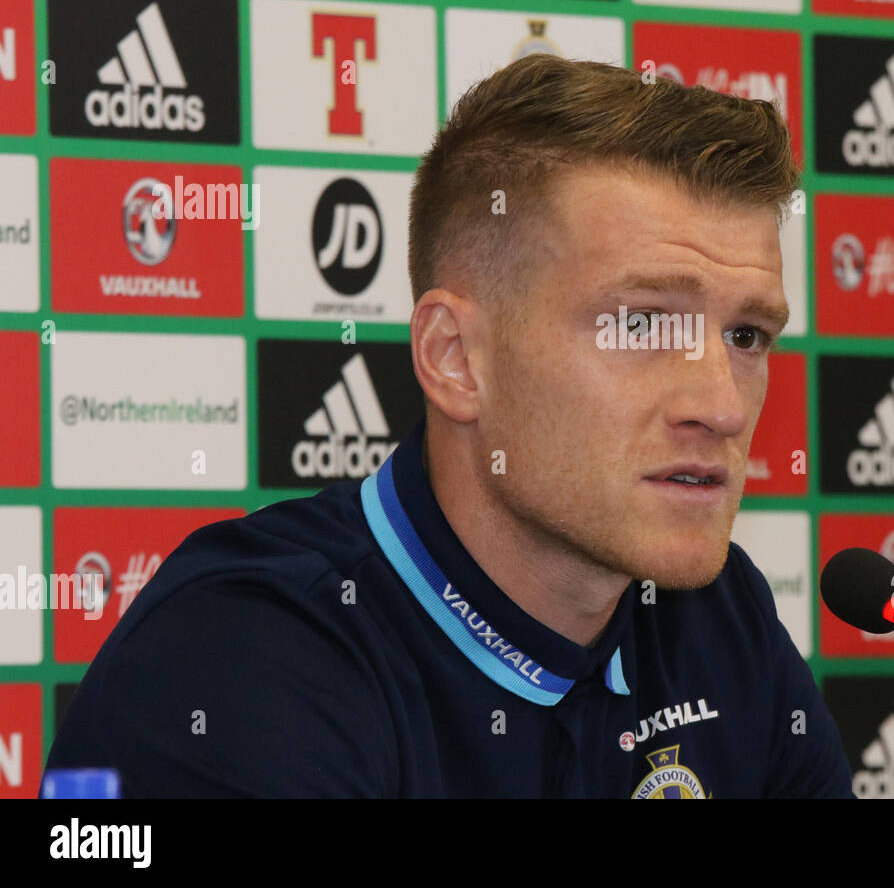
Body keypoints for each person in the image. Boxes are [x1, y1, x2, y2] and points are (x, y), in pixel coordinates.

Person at [44, 55, 853, 798]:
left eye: (746, 335)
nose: (721, 403)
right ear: (456, 358)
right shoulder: (244, 655)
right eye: (640, 325)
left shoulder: (719, 619)